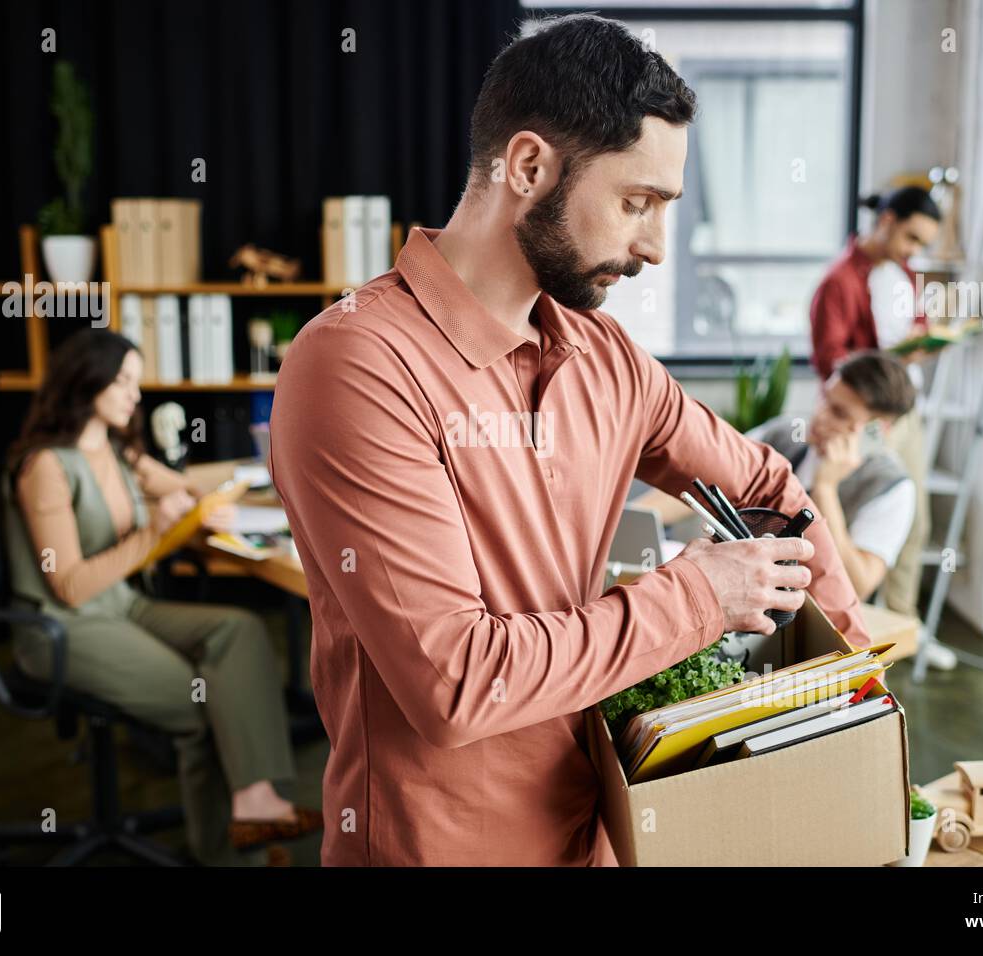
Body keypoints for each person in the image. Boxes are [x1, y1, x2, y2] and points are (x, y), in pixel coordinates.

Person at [270, 13, 869, 867]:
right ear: (527, 166)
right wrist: (700, 597)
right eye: (636, 203)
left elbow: (771, 489)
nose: (657, 249)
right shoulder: (356, 363)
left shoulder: (607, 358)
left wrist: (854, 689)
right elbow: (457, 683)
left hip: (596, 836)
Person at [3, 328, 322, 866]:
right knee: (202, 702)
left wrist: (217, 492)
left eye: (136, 380)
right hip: (65, 625)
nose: (135, 393)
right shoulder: (47, 467)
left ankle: (254, 798)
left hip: (122, 607)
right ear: (87, 381)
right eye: (123, 380)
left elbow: (183, 487)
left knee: (237, 630)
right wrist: (153, 532)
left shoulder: (116, 451)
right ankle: (224, 854)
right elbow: (70, 585)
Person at [810, 185, 941, 619]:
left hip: (902, 415)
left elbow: (913, 325)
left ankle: (904, 625)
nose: (914, 250)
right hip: (860, 419)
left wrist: (921, 342)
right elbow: (832, 362)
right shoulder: (840, 281)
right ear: (886, 222)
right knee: (850, 516)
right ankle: (848, 624)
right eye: (912, 238)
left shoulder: (900, 274)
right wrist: (888, 362)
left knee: (913, 519)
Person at [746, 351, 916, 603]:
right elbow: (707, 473)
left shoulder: (892, 486)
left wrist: (825, 488)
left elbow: (857, 586)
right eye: (824, 398)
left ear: (875, 432)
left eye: (838, 412)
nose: (820, 415)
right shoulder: (782, 435)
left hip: (816, 618)